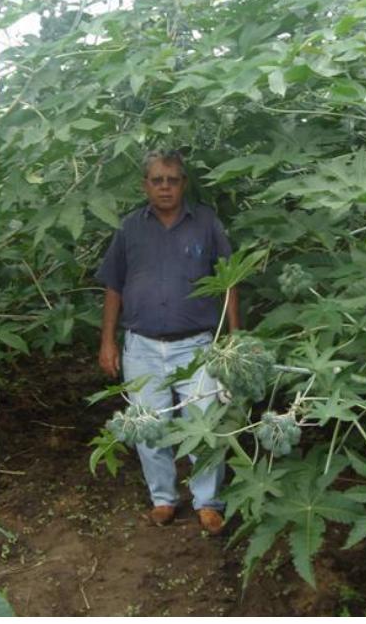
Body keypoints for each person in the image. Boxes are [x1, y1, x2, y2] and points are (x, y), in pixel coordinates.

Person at [95, 149, 240, 536]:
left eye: (172, 180)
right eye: (157, 180)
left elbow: (229, 281)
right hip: (141, 345)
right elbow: (113, 287)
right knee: (149, 427)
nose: (164, 187)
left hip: (196, 345)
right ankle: (163, 499)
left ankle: (207, 503)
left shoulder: (206, 223)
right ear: (146, 185)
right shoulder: (129, 228)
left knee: (203, 425)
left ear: (183, 184)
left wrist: (234, 339)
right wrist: (107, 341)